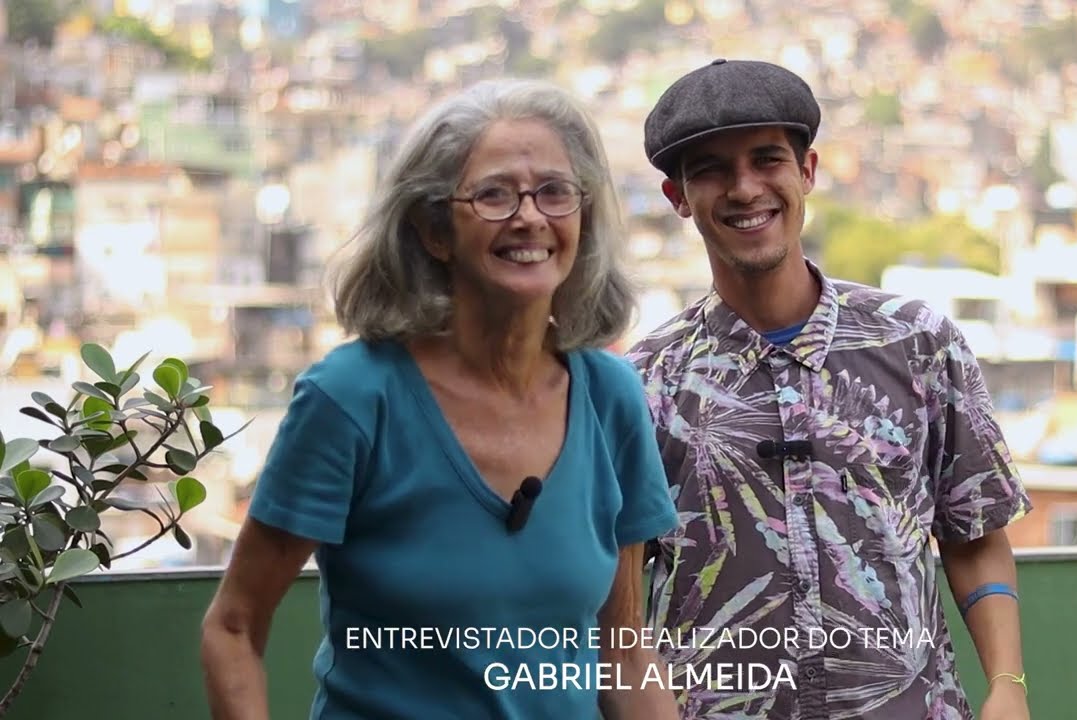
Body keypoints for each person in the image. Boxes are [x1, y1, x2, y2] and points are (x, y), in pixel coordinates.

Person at [200, 78, 681, 720]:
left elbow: (622, 654)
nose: (530, 216)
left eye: (555, 192)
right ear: (434, 231)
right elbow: (232, 628)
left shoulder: (609, 395)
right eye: (493, 194)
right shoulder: (354, 398)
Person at [625, 58, 1034, 719]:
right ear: (678, 198)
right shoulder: (642, 385)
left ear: (807, 171)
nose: (745, 188)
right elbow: (613, 607)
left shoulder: (919, 344)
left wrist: (1008, 689)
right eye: (711, 170)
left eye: (767, 160)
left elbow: (976, 535)